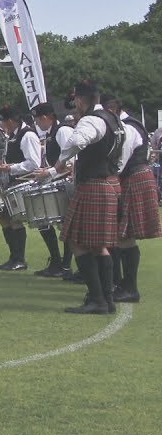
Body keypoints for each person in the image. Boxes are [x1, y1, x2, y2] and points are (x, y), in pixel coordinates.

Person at [53, 81, 125, 315]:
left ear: (81, 101)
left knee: (78, 243)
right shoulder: (114, 119)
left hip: (93, 187)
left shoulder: (91, 120)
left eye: (76, 102)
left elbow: (77, 141)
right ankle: (106, 298)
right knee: (98, 246)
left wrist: (61, 160)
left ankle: (98, 299)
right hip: (108, 183)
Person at [97, 94, 157, 303]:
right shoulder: (125, 125)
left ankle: (130, 288)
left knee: (125, 234)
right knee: (122, 234)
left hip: (134, 178)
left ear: (111, 110)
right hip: (134, 178)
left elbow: (120, 161)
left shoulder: (127, 128)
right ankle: (124, 284)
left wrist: (103, 175)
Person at [0, 104, 43, 271]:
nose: (3, 125)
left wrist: (10, 168)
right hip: (12, 182)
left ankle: (19, 259)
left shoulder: (27, 135)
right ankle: (14, 256)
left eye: (5, 121)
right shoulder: (13, 135)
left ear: (13, 121)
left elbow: (34, 163)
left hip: (22, 182)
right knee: (4, 218)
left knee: (15, 220)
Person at [29, 102, 72, 277]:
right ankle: (57, 262)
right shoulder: (51, 133)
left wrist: (48, 172)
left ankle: (65, 265)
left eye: (38, 120)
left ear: (45, 118)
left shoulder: (62, 132)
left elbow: (71, 162)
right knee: (43, 221)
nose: (37, 124)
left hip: (66, 184)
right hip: (58, 182)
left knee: (65, 226)